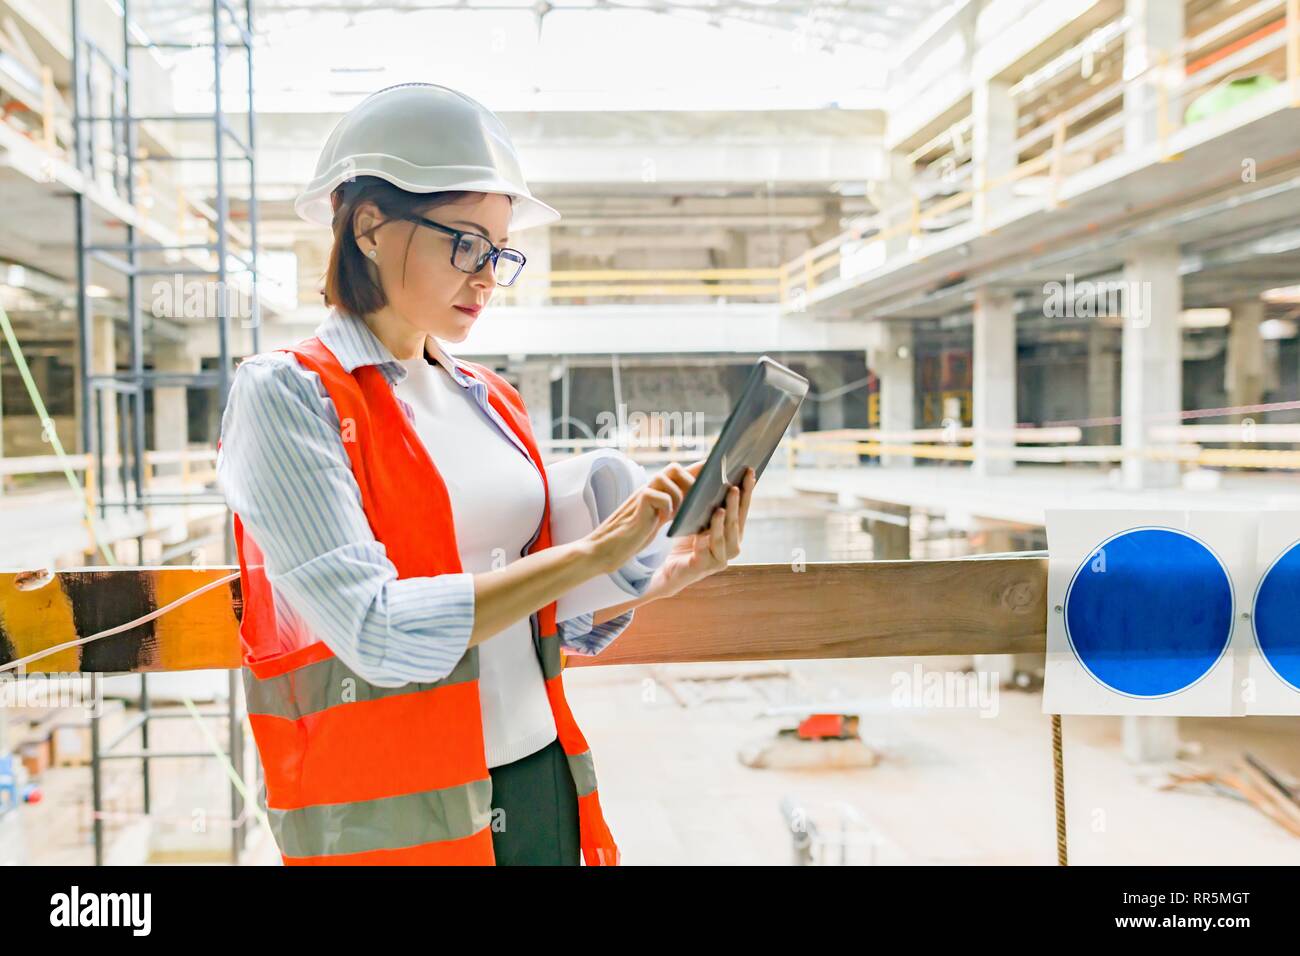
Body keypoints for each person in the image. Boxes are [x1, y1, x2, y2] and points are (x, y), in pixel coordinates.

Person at [216, 82, 756, 865]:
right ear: (369, 226)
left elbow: (545, 621)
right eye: (464, 243)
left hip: (541, 776)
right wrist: (591, 554)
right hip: (397, 819)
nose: (486, 276)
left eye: (499, 252)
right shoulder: (288, 394)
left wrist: (664, 571)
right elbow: (374, 627)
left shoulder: (491, 399)